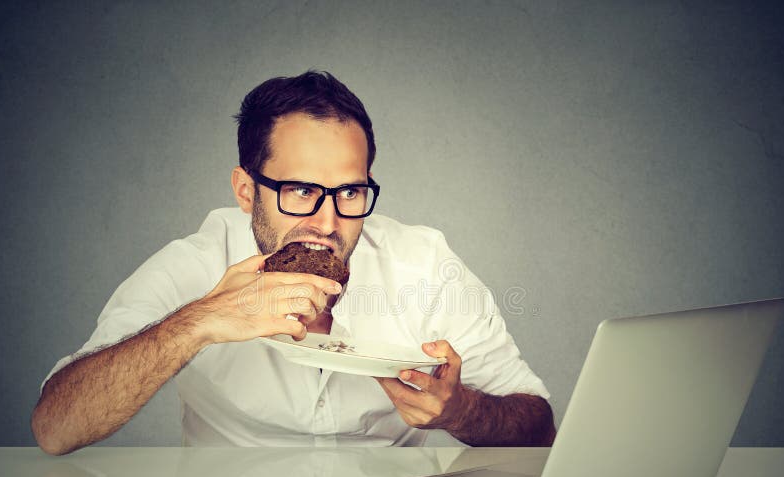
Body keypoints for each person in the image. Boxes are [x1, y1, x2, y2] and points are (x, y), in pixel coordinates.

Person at [31, 71, 556, 455]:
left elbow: (538, 425)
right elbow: (55, 428)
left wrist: (461, 410)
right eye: (301, 190)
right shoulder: (192, 266)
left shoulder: (423, 265)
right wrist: (198, 322)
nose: (327, 223)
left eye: (349, 191)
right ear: (245, 190)